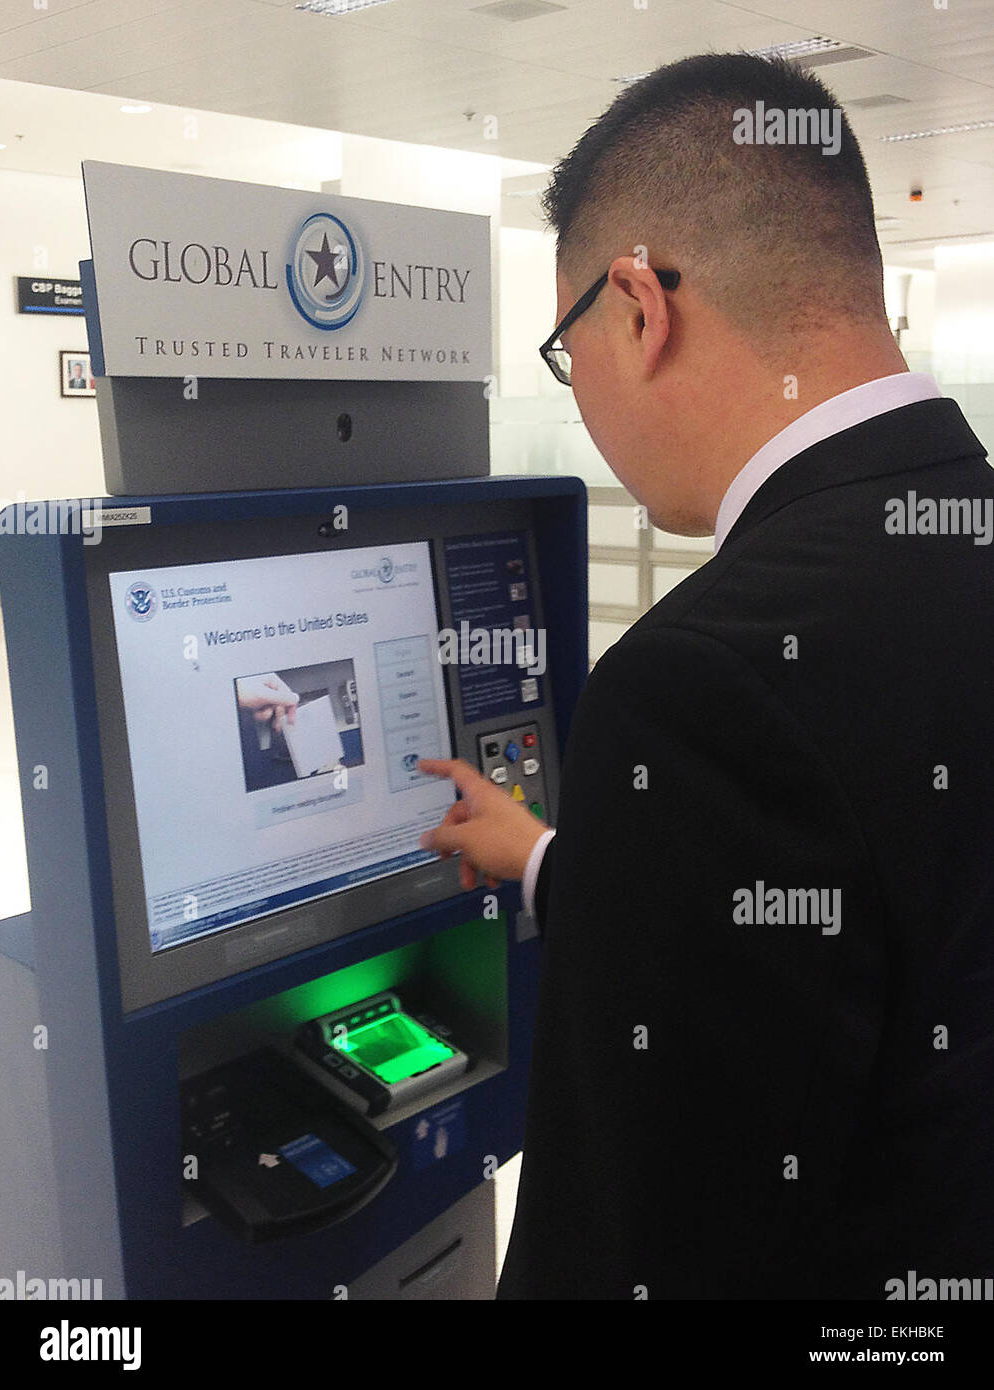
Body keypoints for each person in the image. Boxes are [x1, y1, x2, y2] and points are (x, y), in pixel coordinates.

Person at [417, 52, 994, 1299]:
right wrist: (555, 860)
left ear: (636, 306)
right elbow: (868, 923)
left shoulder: (699, 686)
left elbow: (627, 1251)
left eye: (568, 351)